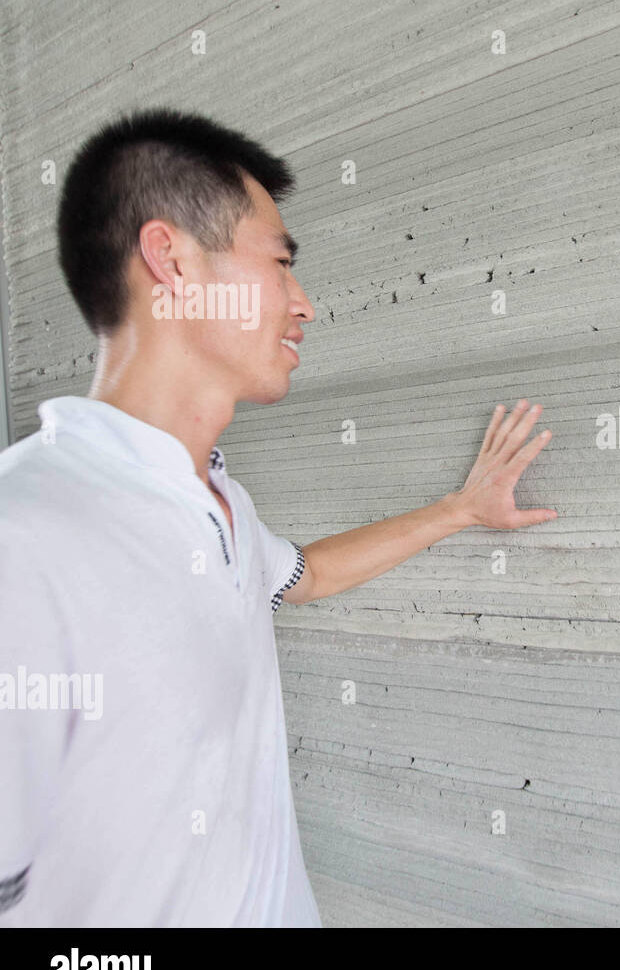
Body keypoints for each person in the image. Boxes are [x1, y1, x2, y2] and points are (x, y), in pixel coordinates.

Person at [0, 107, 557, 926]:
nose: (304, 304)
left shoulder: (219, 507)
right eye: (281, 262)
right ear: (171, 260)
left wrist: (460, 510)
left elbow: (307, 572)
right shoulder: (28, 532)